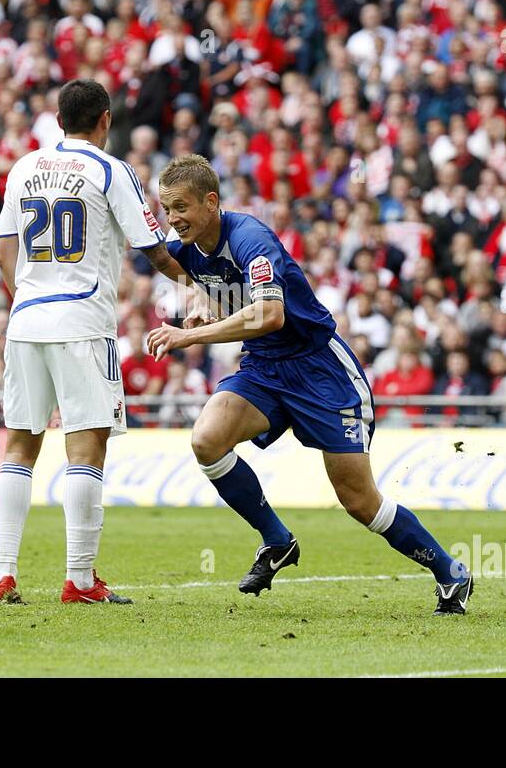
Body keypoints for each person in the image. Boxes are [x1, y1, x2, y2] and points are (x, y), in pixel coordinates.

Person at [147, 154, 473, 616]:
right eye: (167, 209)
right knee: (206, 440)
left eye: (181, 207)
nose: (173, 219)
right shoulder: (191, 244)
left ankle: (450, 571)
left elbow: (270, 313)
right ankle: (277, 539)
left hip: (321, 372)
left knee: (359, 501)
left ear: (211, 202)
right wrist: (200, 291)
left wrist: (189, 334)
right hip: (264, 368)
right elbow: (169, 262)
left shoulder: (251, 239)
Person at [0, 79, 203, 605]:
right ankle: (80, 580)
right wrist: (198, 286)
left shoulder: (23, 167)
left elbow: (4, 247)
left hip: (26, 321)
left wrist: (26, 297)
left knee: (19, 446)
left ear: (59, 119)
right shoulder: (110, 170)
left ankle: (4, 575)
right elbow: (152, 247)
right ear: (105, 119)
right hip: (82, 321)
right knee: (86, 449)